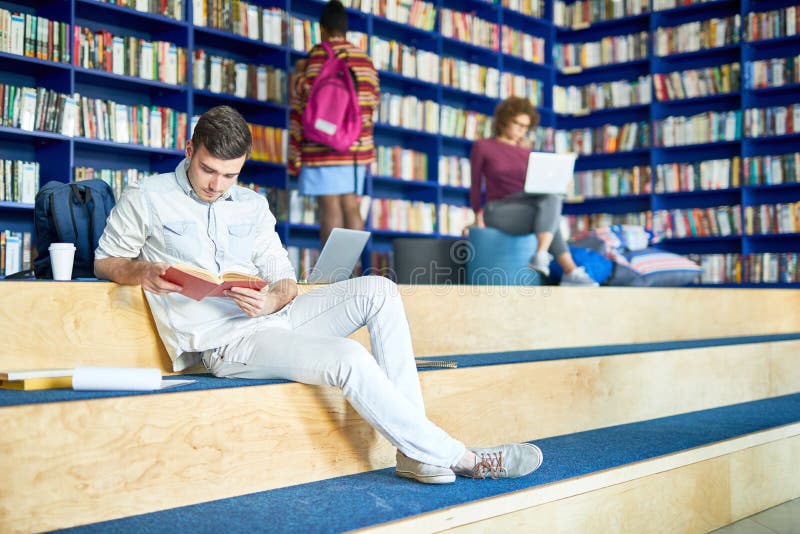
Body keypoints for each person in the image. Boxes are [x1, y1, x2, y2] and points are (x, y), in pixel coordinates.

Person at [94, 105, 543, 485]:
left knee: (380, 290)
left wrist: (272, 299)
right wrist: (141, 271)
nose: (216, 184)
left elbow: (285, 279)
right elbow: (105, 260)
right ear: (189, 150)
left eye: (229, 174)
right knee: (348, 357)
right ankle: (463, 458)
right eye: (208, 170)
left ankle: (414, 453)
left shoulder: (250, 203)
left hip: (272, 316)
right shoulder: (147, 196)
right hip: (225, 343)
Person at [470, 97, 598, 286]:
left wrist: (560, 182)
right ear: (504, 120)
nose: (521, 130)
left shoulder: (527, 152)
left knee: (553, 197)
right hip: (497, 209)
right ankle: (570, 271)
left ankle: (541, 254)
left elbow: (536, 185)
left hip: (526, 204)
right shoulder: (484, 147)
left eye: (525, 126)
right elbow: (474, 184)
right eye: (517, 124)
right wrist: (477, 213)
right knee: (550, 220)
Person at [288, 0, 379, 246]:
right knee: (350, 203)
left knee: (329, 204)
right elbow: (373, 100)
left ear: (322, 29)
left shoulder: (319, 55)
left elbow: (305, 96)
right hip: (356, 148)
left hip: (323, 145)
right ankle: (355, 271)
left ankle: (334, 276)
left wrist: (298, 73)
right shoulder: (365, 60)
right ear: (346, 29)